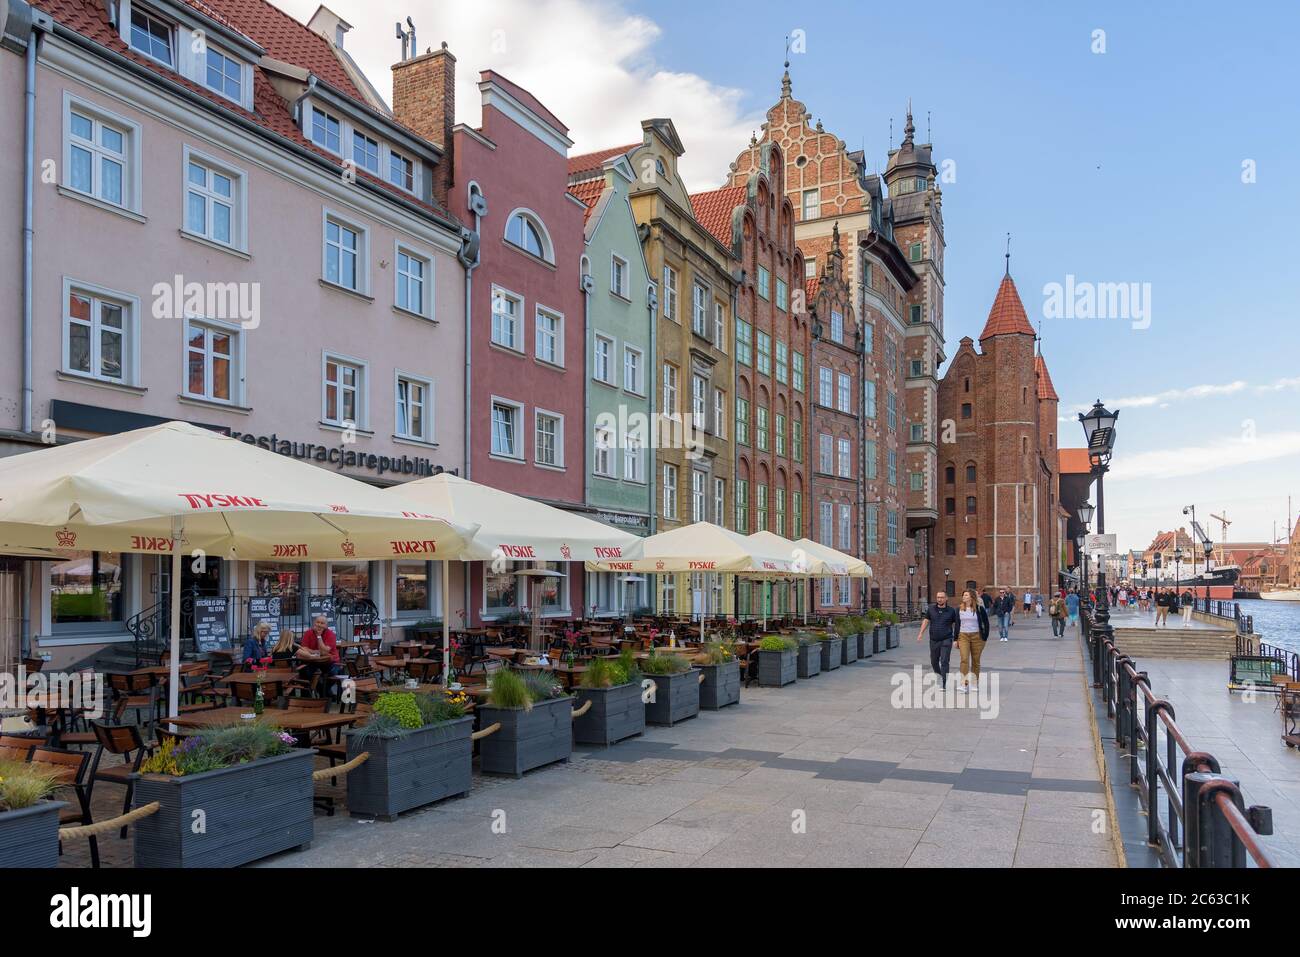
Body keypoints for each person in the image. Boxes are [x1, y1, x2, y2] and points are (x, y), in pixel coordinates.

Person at [917, 591, 960, 691]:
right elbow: (926, 620)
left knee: (944, 661)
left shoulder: (951, 611)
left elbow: (955, 624)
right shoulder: (931, 609)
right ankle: (941, 675)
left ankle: (944, 682)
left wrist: (956, 638)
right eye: (938, 597)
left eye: (941, 597)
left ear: (946, 598)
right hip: (934, 640)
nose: (939, 599)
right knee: (934, 661)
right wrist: (920, 633)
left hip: (947, 639)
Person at [955, 589, 990, 693]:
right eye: (963, 595)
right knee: (964, 659)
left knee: (976, 660)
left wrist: (984, 638)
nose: (964, 597)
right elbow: (957, 625)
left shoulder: (979, 609)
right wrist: (955, 639)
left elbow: (986, 623)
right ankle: (963, 684)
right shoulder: (958, 609)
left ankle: (974, 683)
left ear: (971, 597)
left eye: (966, 595)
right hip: (963, 636)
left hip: (977, 637)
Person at [299, 614, 342, 696]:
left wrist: (319, 636)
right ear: (314, 623)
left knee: (332, 674)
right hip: (313, 661)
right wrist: (316, 652)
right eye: (317, 622)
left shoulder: (330, 634)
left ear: (326, 625)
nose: (319, 625)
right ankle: (306, 698)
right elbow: (303, 648)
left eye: (322, 623)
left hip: (330, 661)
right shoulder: (308, 633)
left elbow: (324, 652)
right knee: (304, 671)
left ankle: (324, 693)